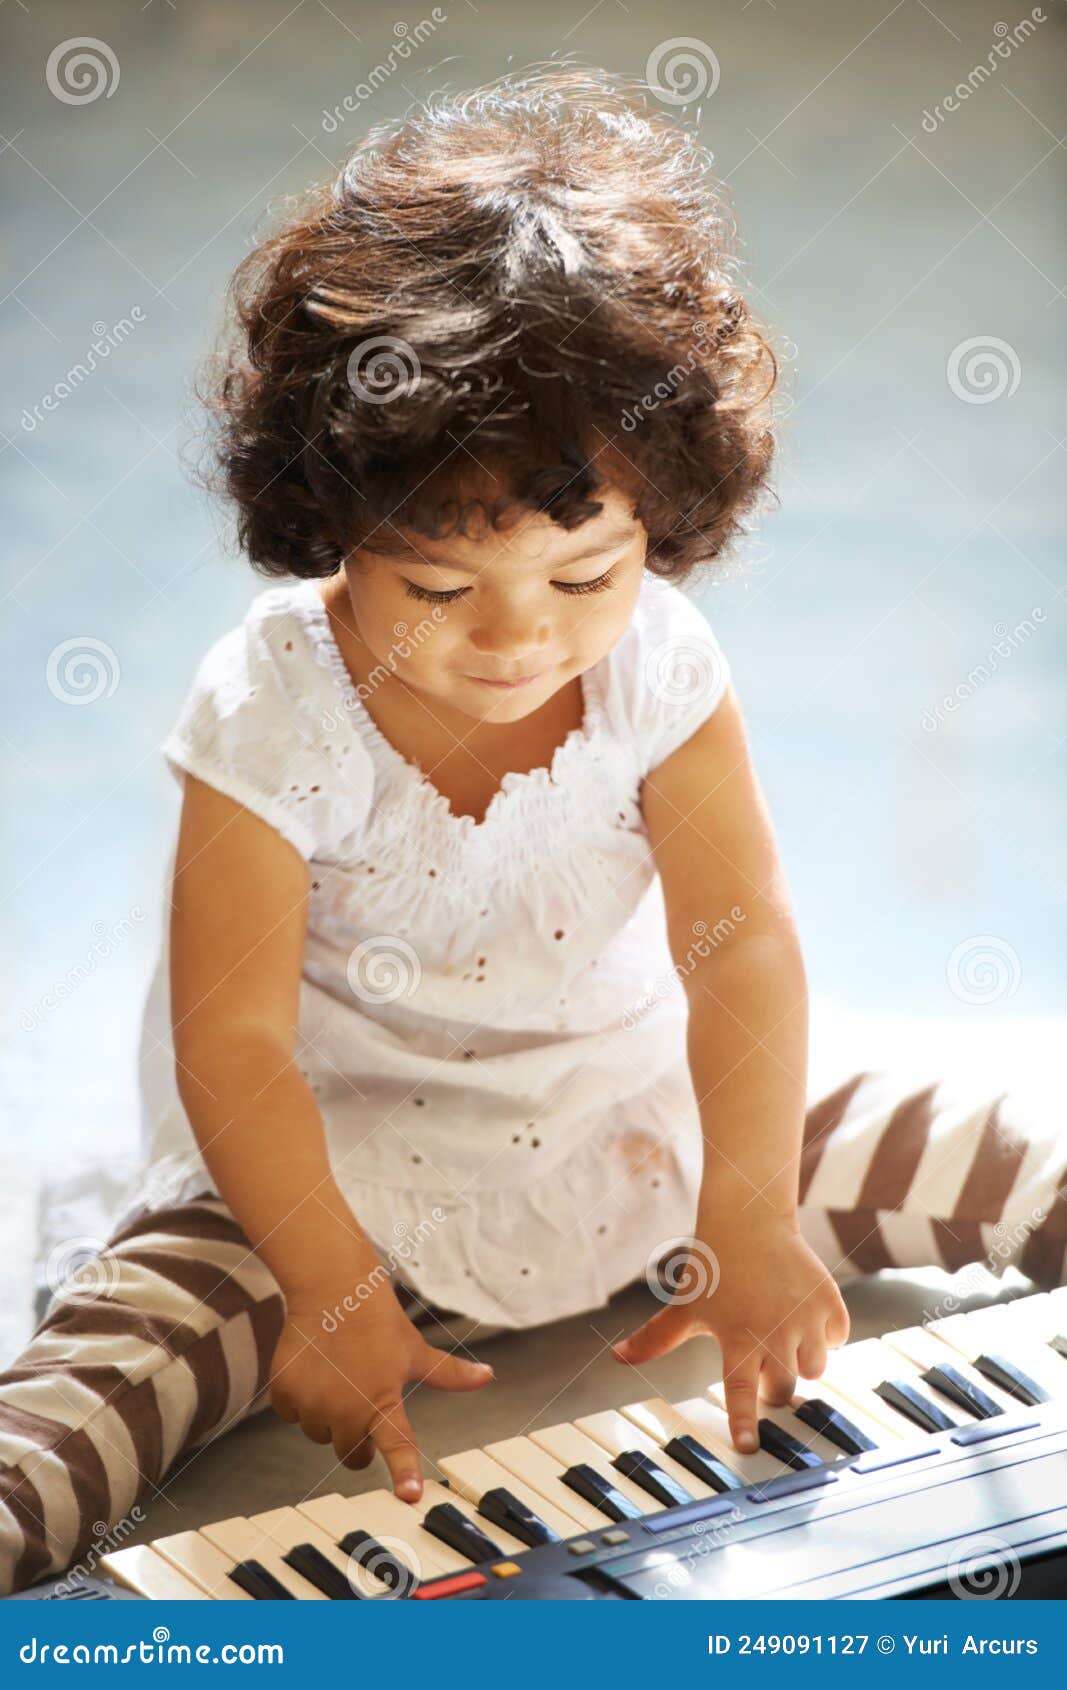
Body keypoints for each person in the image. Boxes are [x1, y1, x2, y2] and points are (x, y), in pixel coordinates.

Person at [2, 65, 1063, 1600]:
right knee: (83, 1395)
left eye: (586, 575)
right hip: (320, 1179)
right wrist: (328, 1280)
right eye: (438, 590)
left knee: (1009, 1148)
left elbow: (742, 940)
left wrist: (751, 1212)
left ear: (663, 526)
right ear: (326, 519)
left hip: (648, 1118)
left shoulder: (663, 664)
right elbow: (232, 1043)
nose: (514, 641)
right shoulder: (272, 703)